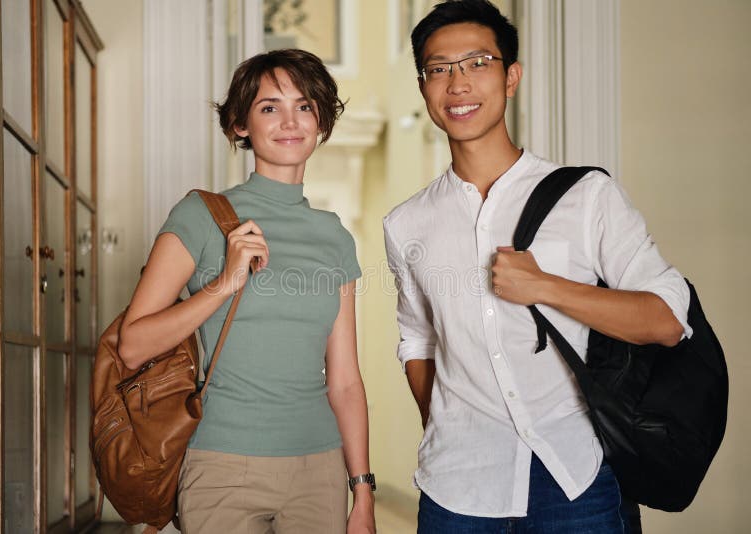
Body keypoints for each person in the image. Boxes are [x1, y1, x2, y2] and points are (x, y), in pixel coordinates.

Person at [382, 1, 692, 532]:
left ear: (511, 77)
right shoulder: (406, 223)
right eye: (439, 69)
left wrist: (546, 286)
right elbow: (418, 340)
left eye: (478, 63)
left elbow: (665, 320)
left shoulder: (587, 196)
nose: (458, 84)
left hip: (574, 476)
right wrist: (445, 427)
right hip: (455, 486)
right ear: (424, 87)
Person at [118, 49, 376, 534]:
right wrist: (224, 284)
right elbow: (132, 347)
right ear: (240, 124)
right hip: (221, 467)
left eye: (304, 106)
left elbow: (344, 380)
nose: (289, 121)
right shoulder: (199, 216)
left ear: (320, 121)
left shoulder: (334, 236)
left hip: (320, 469)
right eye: (269, 107)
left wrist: (361, 490)